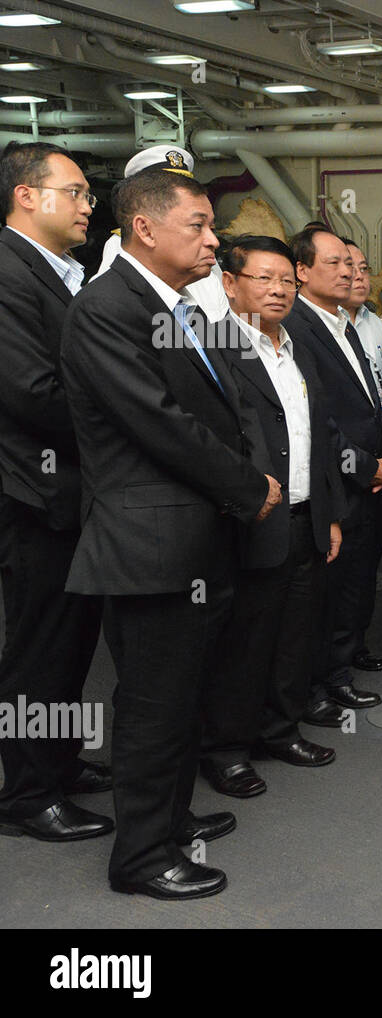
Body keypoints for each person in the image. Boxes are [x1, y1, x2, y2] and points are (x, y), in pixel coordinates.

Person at [61, 167, 281, 899]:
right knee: (155, 705)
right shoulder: (106, 308)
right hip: (151, 545)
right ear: (145, 227)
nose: (214, 240)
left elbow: (234, 401)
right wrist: (249, 488)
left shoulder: (185, 304)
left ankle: (172, 815)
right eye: (199, 225)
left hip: (200, 536)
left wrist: (247, 477)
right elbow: (161, 423)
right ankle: (143, 856)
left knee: (184, 693)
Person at [200, 235, 346, 798]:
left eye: (286, 278)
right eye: (263, 278)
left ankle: (280, 729)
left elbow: (322, 434)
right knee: (245, 639)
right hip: (252, 517)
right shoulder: (214, 347)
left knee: (293, 632)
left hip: (307, 513)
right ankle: (227, 748)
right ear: (231, 283)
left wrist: (328, 513)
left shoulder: (298, 346)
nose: (279, 289)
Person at [0, 142, 110, 841]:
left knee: (73, 644)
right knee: (39, 647)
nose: (85, 205)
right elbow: (33, 393)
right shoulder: (8, 273)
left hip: (73, 490)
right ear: (25, 196)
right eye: (72, 192)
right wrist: (122, 429)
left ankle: (60, 760)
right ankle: (26, 793)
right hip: (34, 491)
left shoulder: (63, 271)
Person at [284, 227, 382, 724]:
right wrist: (366, 466)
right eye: (334, 263)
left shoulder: (342, 322)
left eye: (351, 263)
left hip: (369, 476)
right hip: (336, 481)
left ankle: (340, 669)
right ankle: (317, 686)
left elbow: (372, 404)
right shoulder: (298, 327)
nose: (349, 271)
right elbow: (316, 421)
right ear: (301, 271)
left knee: (357, 582)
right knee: (325, 593)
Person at [92, 145, 228, 323]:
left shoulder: (202, 259)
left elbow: (223, 326)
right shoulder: (122, 246)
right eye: (196, 225)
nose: (212, 241)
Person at [342, 238, 382, 648]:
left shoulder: (376, 323)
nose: (359, 276)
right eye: (349, 268)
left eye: (364, 268)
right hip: (344, 459)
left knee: (368, 560)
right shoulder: (309, 327)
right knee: (339, 564)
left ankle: (356, 642)